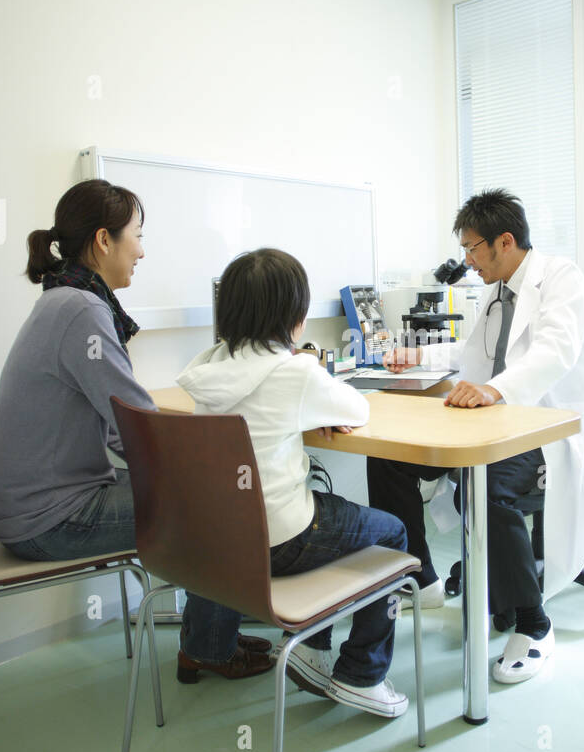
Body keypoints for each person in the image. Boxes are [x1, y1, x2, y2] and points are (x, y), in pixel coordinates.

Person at [0, 179, 273, 680]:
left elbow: (122, 428)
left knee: (204, 490)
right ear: (103, 240)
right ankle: (209, 645)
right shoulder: (82, 310)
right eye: (136, 235)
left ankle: (210, 631)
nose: (141, 250)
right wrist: (214, 459)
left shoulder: (63, 299)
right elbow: (135, 431)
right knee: (218, 500)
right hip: (49, 518)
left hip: (31, 505)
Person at [367, 188, 584, 685]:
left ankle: (534, 625)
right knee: (387, 459)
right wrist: (419, 358)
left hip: (541, 426)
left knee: (492, 487)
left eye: (473, 248)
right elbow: (475, 349)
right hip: (488, 420)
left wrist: (493, 391)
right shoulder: (497, 290)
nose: (468, 261)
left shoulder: (561, 280)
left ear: (505, 241)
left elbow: (555, 352)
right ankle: (421, 576)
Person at [175, 248, 411, 719]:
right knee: (391, 532)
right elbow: (357, 409)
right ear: (294, 316)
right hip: (280, 543)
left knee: (329, 509)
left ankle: (308, 648)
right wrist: (314, 394)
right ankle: (360, 673)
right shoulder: (294, 371)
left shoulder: (209, 364)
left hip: (221, 544)